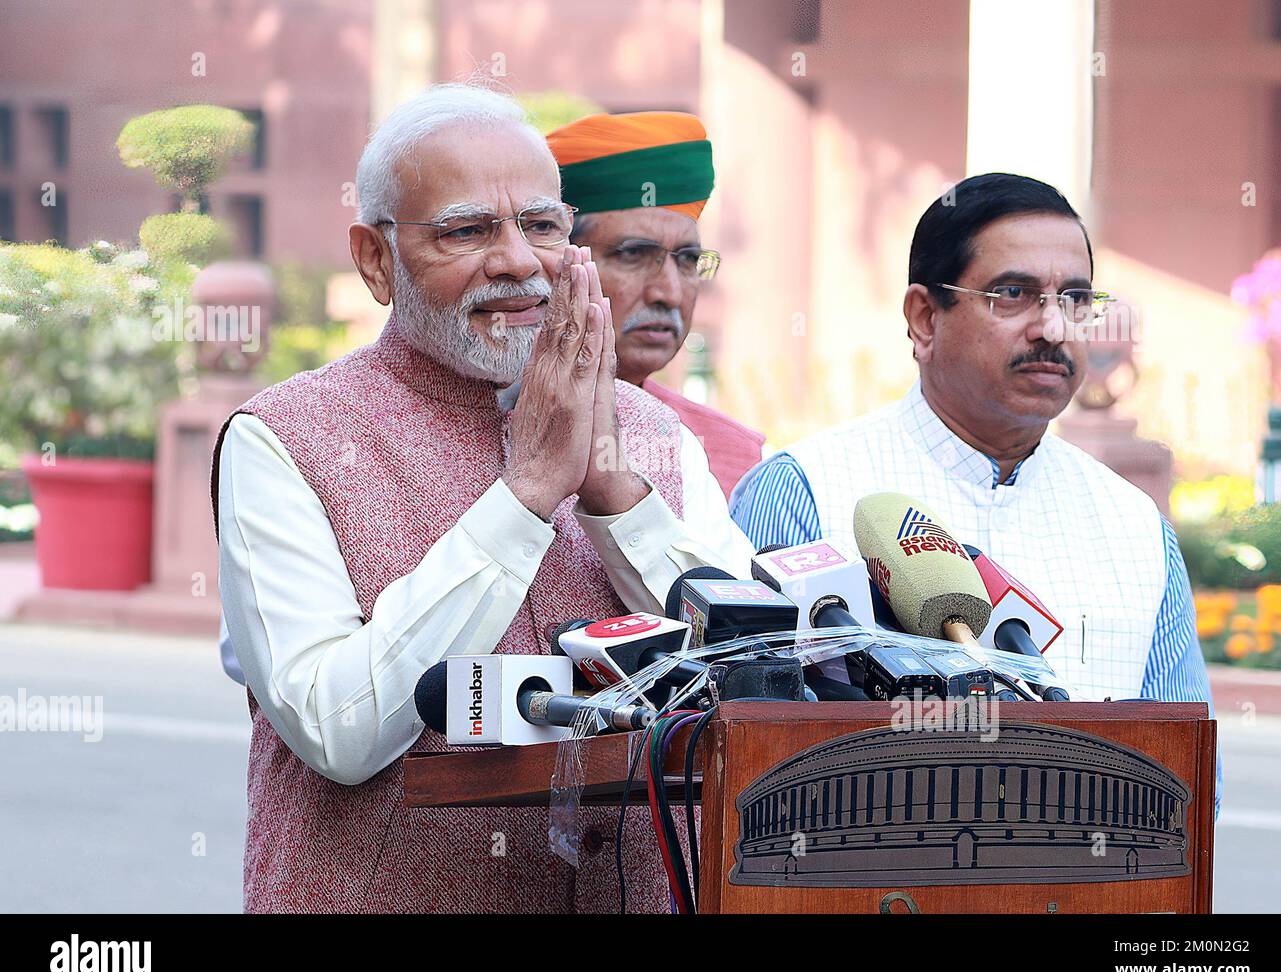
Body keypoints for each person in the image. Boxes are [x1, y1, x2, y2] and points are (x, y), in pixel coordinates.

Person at [213, 83, 754, 913]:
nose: (518, 261)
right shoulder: (285, 439)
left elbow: (754, 686)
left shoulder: (651, 436)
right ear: (374, 260)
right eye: (467, 230)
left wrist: (614, 493)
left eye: (541, 225)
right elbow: (338, 728)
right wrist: (527, 493)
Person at [730, 173, 1219, 811]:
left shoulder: (1134, 525)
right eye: (1012, 294)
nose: (1052, 327)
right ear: (924, 318)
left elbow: (1188, 782)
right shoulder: (803, 491)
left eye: (1074, 299)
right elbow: (744, 760)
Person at [547, 111, 765, 496]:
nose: (669, 293)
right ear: (558, 262)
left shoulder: (733, 455)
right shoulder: (488, 429)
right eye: (633, 254)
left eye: (687, 260)